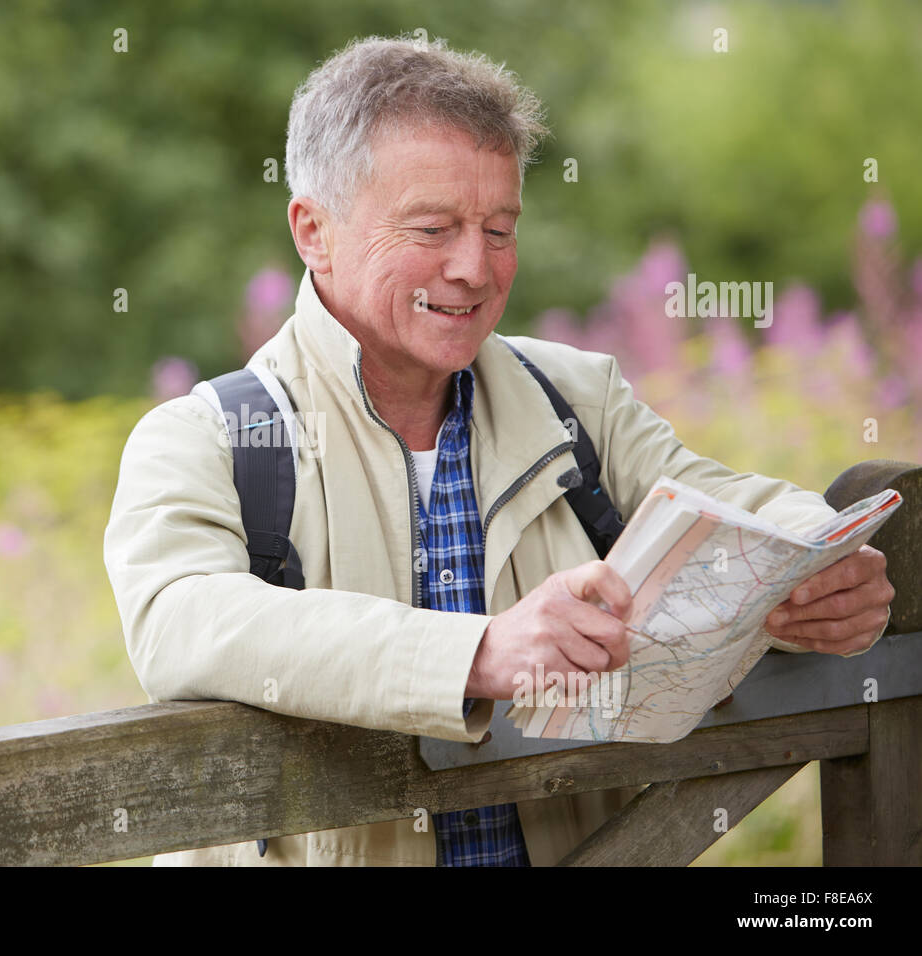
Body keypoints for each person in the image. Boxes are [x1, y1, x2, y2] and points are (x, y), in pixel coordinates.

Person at [102, 35, 894, 866]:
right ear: (314, 231)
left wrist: (823, 570)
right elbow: (180, 623)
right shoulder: (202, 437)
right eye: (434, 227)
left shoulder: (582, 399)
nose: (475, 268)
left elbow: (742, 507)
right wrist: (482, 653)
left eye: (500, 228)